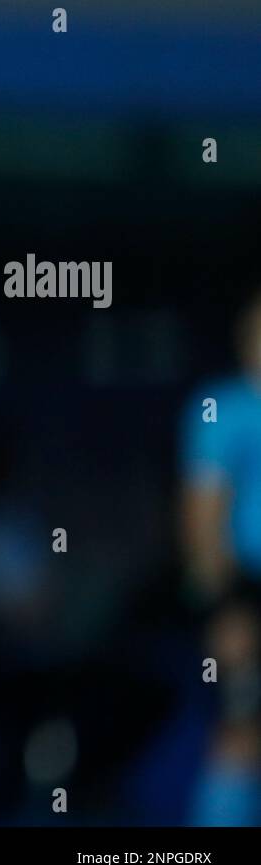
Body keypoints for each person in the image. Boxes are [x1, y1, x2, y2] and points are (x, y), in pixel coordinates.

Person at [181, 290, 261, 825]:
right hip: (248, 596)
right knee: (244, 728)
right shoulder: (224, 411)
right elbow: (202, 523)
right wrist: (224, 609)